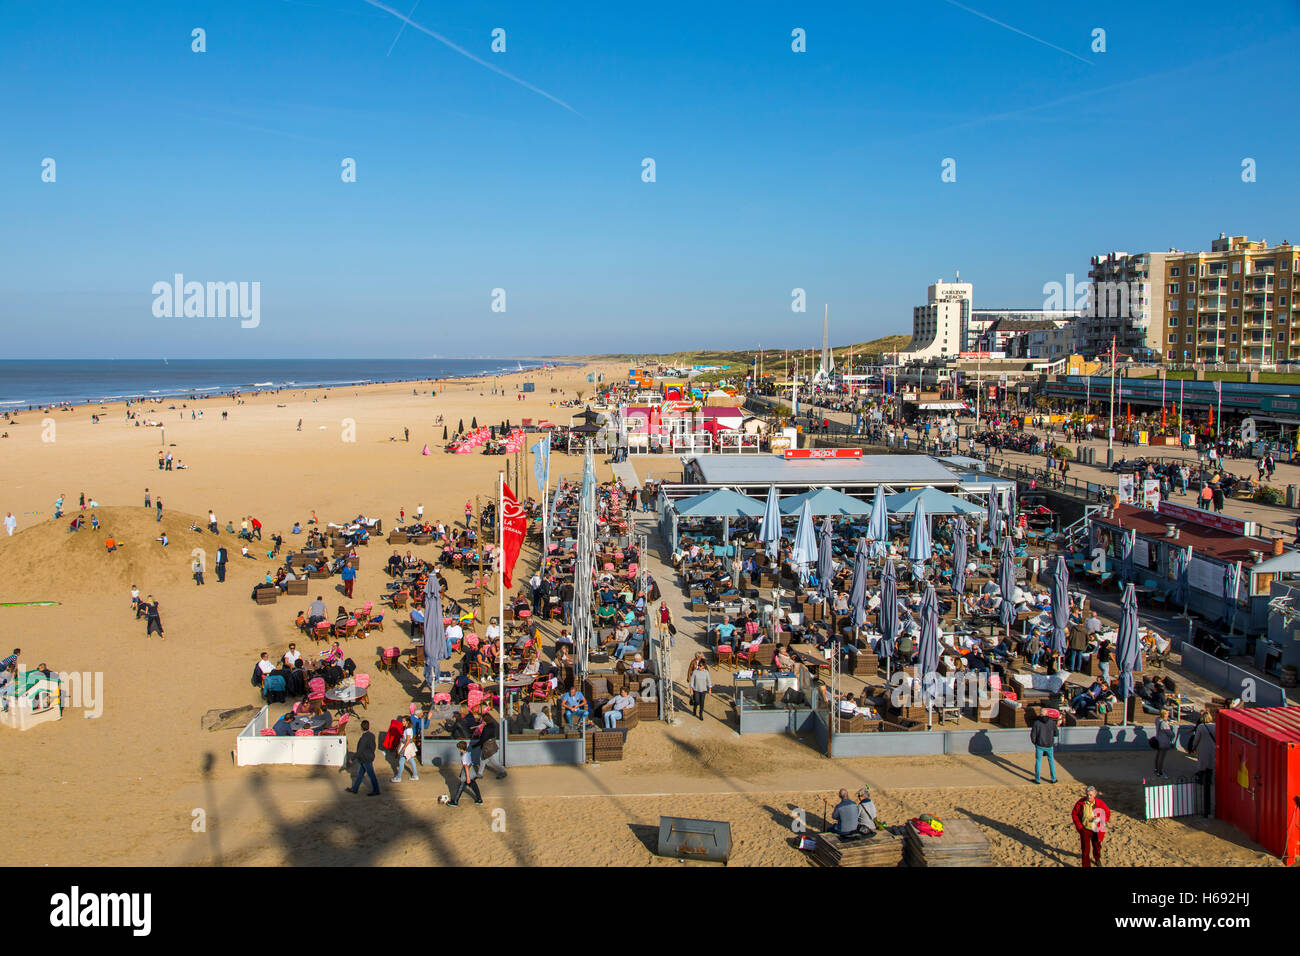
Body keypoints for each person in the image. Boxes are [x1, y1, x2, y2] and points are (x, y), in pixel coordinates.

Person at [1071, 785, 1110, 867]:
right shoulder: (1080, 803)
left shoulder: (1100, 803)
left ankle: (1097, 859)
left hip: (1097, 830)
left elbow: (1107, 813)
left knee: (1097, 847)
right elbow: (1074, 814)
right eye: (1087, 795)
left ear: (1095, 795)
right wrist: (1080, 827)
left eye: (1091, 795)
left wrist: (1100, 819)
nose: (1089, 797)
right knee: (1085, 850)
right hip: (1085, 829)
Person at [1191, 708, 1216, 817]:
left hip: (1202, 747)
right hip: (1213, 748)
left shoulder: (1201, 727)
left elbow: (1196, 739)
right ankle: (1209, 779)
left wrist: (1194, 747)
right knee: (1211, 764)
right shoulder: (1215, 726)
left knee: (1202, 763)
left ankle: (1201, 779)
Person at [347, 719, 380, 795]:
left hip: (365, 759)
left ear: (361, 728)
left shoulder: (363, 738)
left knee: (371, 775)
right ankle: (355, 788)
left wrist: (352, 758)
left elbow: (360, 751)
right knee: (360, 774)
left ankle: (376, 790)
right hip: (367, 757)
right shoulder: (372, 735)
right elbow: (373, 746)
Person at [446, 740, 482, 807]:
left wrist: (467, 778)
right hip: (471, 771)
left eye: (459, 748)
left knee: (461, 786)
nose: (459, 750)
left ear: (461, 749)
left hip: (467, 774)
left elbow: (465, 767)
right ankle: (479, 799)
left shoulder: (463, 757)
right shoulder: (468, 753)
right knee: (474, 786)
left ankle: (455, 801)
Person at [1030, 709, 1059, 784]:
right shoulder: (1052, 723)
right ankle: (1053, 778)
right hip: (1049, 745)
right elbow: (1056, 733)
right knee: (1051, 761)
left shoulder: (1037, 723)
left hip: (1039, 745)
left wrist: (1035, 743)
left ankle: (1037, 779)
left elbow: (1033, 735)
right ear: (1047, 714)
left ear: (1040, 714)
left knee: (1038, 761)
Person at [391, 717, 420, 782]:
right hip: (408, 747)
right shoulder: (407, 729)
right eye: (402, 721)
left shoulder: (408, 730)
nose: (402, 722)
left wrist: (403, 749)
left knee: (401, 761)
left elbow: (407, 740)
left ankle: (398, 777)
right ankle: (415, 775)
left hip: (407, 747)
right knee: (411, 761)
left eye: (404, 721)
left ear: (407, 722)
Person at [1153, 709, 1175, 778]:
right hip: (1163, 742)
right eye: (1167, 714)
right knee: (1161, 757)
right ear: (1164, 714)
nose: (1168, 715)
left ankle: (1156, 769)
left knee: (1158, 755)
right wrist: (1170, 727)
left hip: (1158, 740)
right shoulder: (1164, 724)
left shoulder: (1157, 720)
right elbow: (1171, 734)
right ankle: (1160, 772)